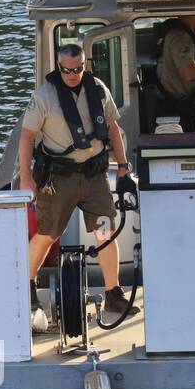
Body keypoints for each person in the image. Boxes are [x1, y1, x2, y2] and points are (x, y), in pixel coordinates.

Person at [18, 43, 134, 324]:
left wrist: (122, 166)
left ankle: (113, 292)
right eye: (67, 70)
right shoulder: (44, 96)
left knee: (105, 231)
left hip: (94, 175)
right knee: (47, 233)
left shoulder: (98, 89)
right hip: (58, 178)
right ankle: (26, 287)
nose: (73, 74)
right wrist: (26, 177)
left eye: (78, 69)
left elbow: (113, 129)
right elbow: (26, 137)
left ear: (85, 65)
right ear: (59, 67)